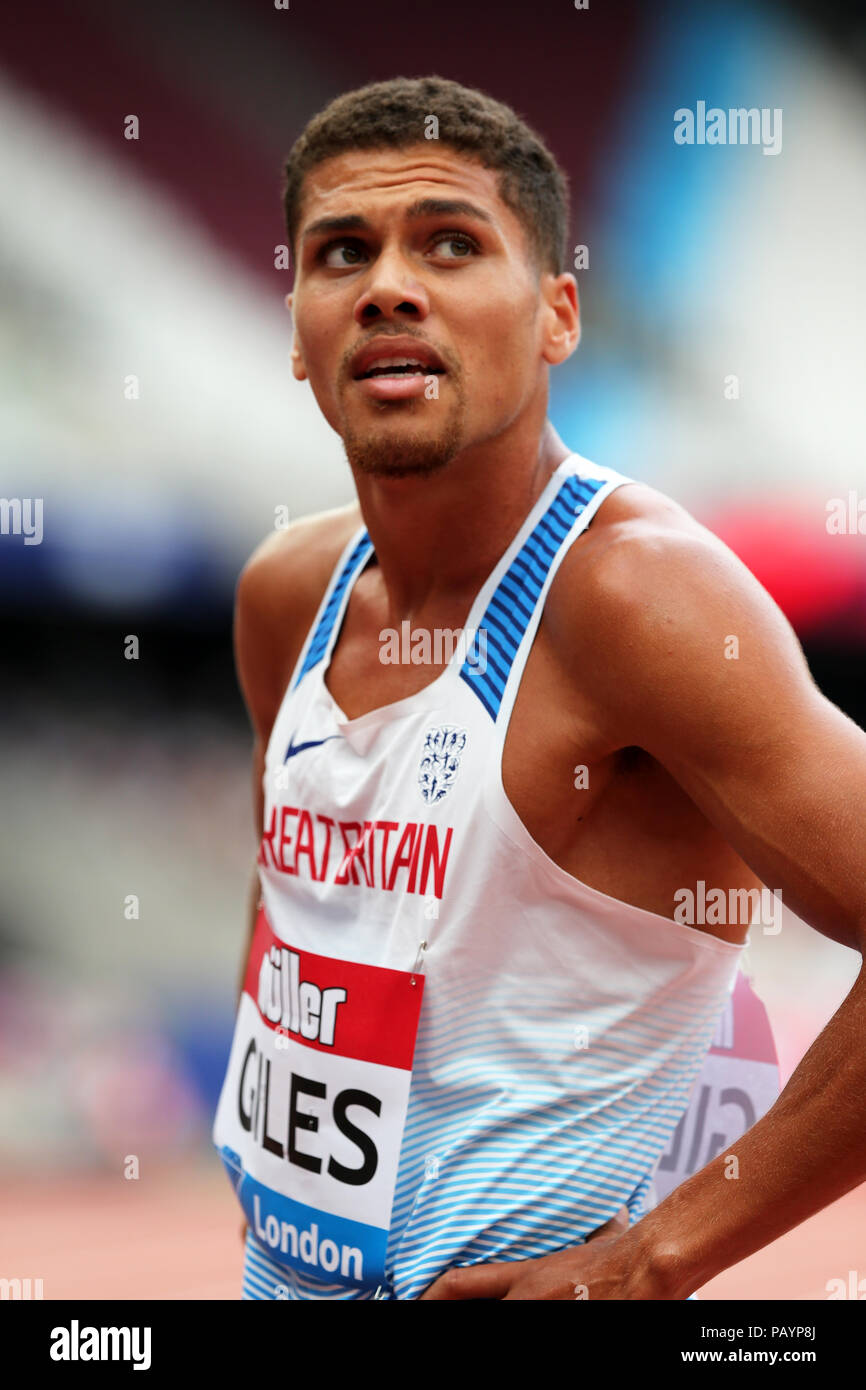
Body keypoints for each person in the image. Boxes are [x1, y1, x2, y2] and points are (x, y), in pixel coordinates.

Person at [213, 76, 866, 1300]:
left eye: (450, 245)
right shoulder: (285, 593)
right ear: (296, 327)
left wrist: (648, 1260)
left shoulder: (635, 602)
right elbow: (293, 920)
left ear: (558, 314)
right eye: (339, 253)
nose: (387, 287)